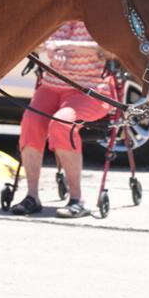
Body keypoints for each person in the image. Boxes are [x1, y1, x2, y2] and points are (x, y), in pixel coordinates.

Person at [10, 21, 112, 218]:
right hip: (52, 85)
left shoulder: (100, 15)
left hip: (89, 88)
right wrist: (48, 46)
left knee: (62, 123)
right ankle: (32, 196)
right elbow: (32, 44)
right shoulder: (57, 15)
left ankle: (77, 199)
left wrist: (68, 46)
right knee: (31, 121)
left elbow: (113, 51)